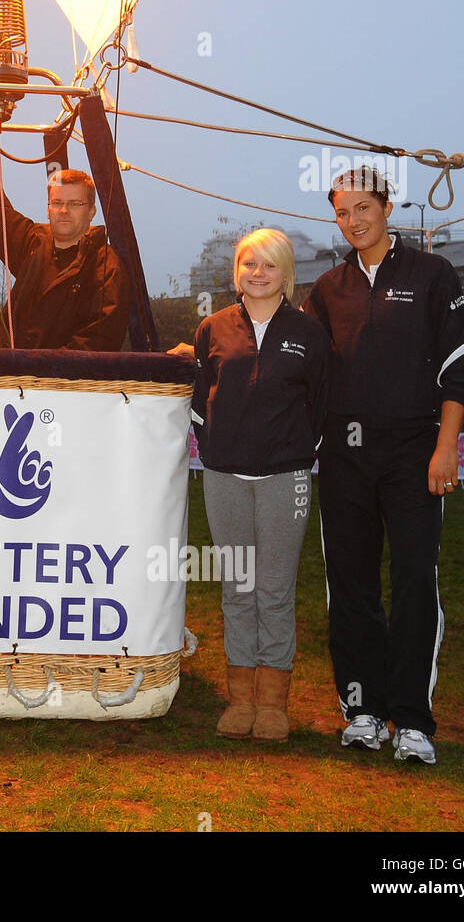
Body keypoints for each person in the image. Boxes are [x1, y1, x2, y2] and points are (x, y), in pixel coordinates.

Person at [303, 166, 464, 765]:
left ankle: (411, 720)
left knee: (412, 582)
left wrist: (445, 446)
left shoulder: (433, 275)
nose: (353, 220)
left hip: (414, 455)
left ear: (386, 205)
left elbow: (461, 369)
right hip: (344, 461)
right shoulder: (327, 288)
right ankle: (363, 710)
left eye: (362, 208)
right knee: (350, 586)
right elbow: (296, 361)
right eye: (341, 211)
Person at [191, 229, 328, 741]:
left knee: (273, 590)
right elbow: (199, 396)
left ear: (286, 273)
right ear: (237, 271)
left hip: (285, 478)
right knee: (237, 588)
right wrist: (217, 448)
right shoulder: (212, 329)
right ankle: (240, 700)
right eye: (250, 264)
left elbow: (320, 405)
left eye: (269, 265)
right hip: (225, 476)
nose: (258, 273)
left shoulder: (309, 334)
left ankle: (273, 704)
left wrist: (293, 452)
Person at [0, 131, 129, 350]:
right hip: (2, 374)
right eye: (57, 203)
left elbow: (98, 343)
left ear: (91, 212)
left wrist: (38, 372)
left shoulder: (106, 268)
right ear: (48, 209)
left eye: (75, 204)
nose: (63, 210)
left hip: (55, 382)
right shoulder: (35, 243)